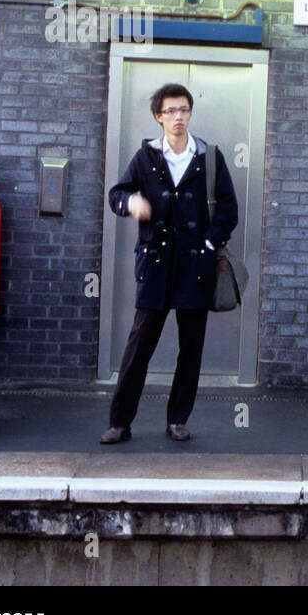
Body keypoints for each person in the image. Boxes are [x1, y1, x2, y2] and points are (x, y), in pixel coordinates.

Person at [100, 83, 239, 444]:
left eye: (185, 110)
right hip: (156, 268)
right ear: (158, 116)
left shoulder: (210, 157)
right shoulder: (146, 157)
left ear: (190, 114)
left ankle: (178, 419)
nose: (179, 117)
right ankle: (119, 423)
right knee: (138, 348)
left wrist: (210, 243)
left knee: (190, 350)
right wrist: (132, 204)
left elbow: (228, 209)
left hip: (196, 268)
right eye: (171, 111)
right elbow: (117, 194)